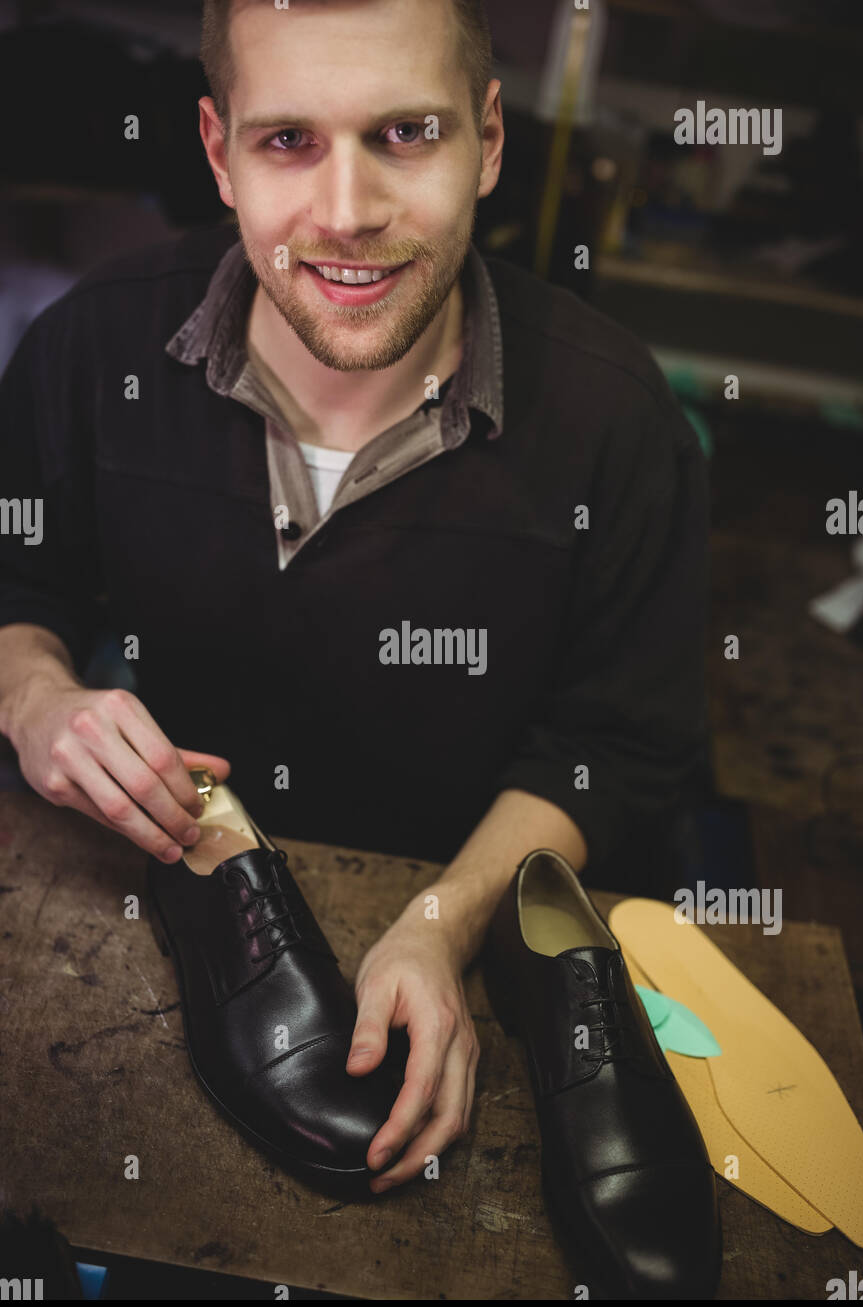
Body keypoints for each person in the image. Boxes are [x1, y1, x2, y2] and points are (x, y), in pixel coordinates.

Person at [0, 0, 708, 1193]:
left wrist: (443, 926)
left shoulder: (617, 422)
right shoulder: (86, 349)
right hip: (198, 901)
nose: (346, 213)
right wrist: (35, 697)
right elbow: (18, 578)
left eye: (405, 133)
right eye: (287, 143)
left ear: (486, 141)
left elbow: (617, 744)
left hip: (464, 883)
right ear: (218, 152)